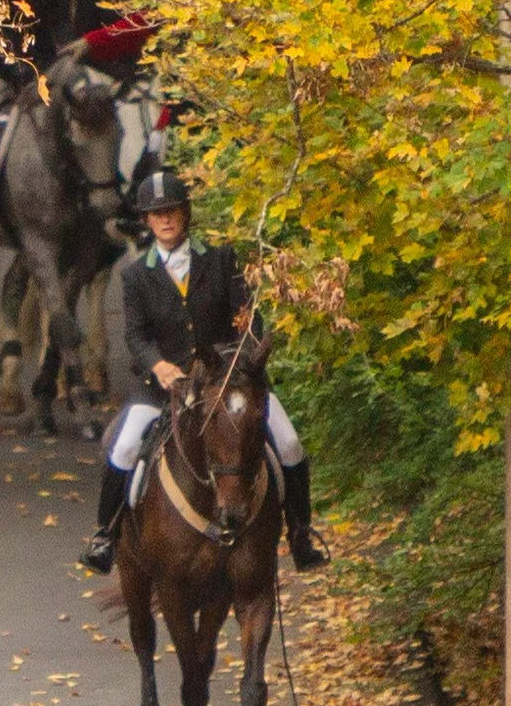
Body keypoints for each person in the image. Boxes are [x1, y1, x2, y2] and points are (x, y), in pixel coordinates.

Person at [80, 170, 327, 575]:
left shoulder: (220, 259)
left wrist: (237, 364)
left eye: (171, 211)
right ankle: (105, 536)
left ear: (185, 214)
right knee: (124, 448)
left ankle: (301, 535)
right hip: (163, 389)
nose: (165, 219)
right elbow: (135, 334)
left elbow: (248, 321)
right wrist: (159, 366)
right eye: (156, 213)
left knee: (290, 443)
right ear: (146, 221)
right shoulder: (134, 275)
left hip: (229, 385)